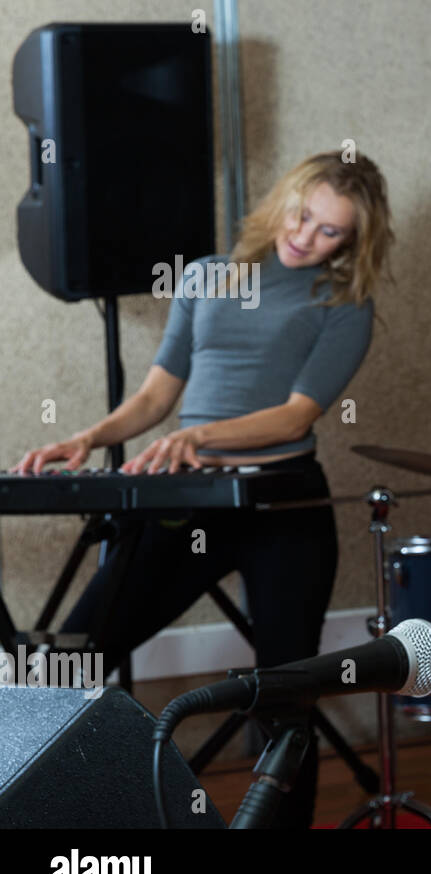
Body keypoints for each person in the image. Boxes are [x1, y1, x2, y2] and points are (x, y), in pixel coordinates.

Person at [12, 150, 395, 828]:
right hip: (190, 500)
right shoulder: (207, 276)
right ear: (284, 200)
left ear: (353, 242)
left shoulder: (346, 305)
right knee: (66, 659)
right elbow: (159, 393)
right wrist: (90, 438)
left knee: (287, 696)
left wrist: (203, 436)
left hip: (284, 504)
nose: (305, 235)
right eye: (302, 214)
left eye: (329, 231)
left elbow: (297, 414)